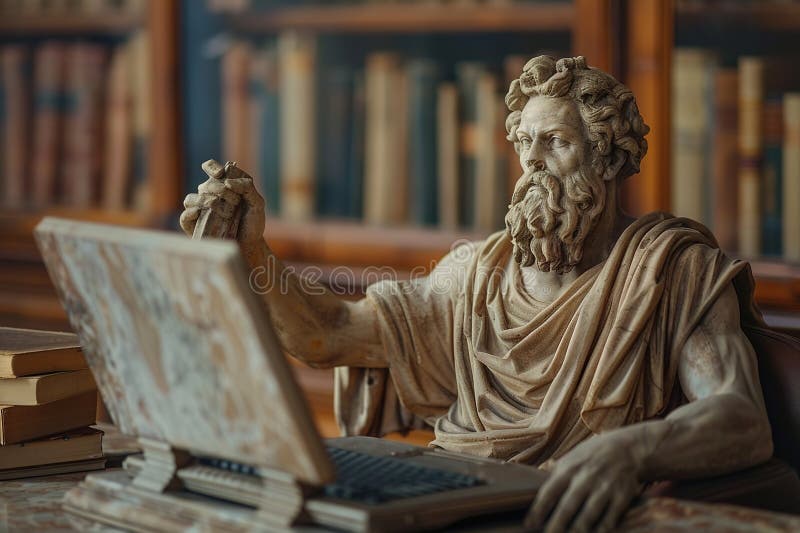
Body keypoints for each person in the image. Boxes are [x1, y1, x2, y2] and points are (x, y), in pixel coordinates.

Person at [180, 56, 772, 533]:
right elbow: (327, 332)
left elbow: (741, 416)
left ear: (609, 157)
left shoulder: (671, 272)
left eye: (557, 141)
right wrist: (251, 253)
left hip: (565, 514)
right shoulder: (476, 276)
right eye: (525, 143)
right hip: (448, 504)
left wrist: (631, 452)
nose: (533, 162)